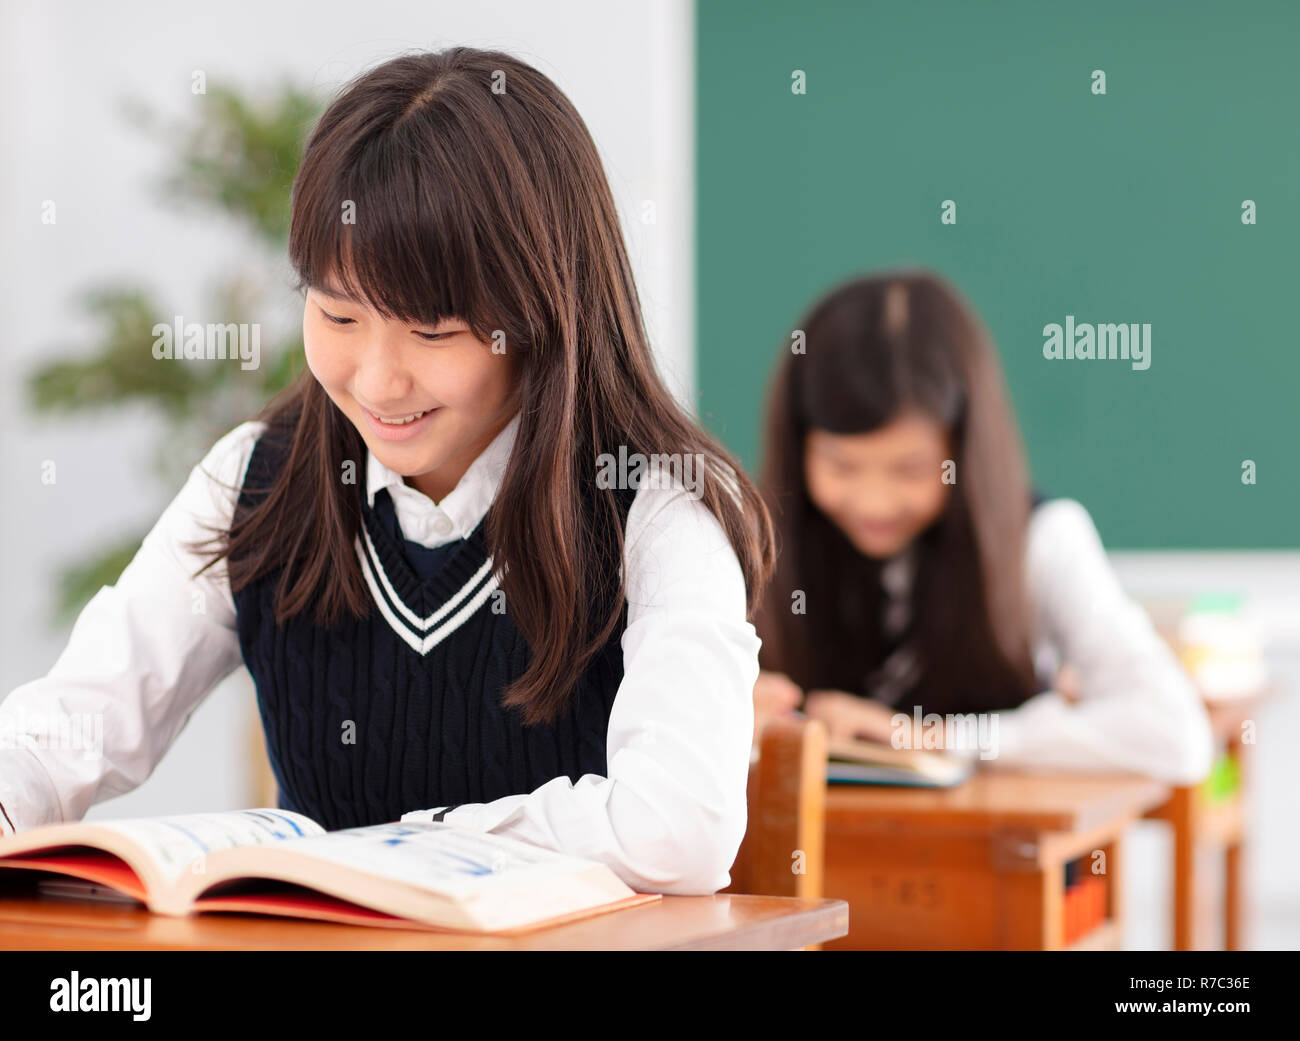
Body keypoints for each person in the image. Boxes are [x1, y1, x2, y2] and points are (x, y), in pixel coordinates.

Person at [0, 48, 775, 896]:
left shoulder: (657, 511)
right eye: (337, 313)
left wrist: (411, 847)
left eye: (432, 333)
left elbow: (680, 833)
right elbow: (73, 727)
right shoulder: (256, 481)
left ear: (545, 315)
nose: (375, 380)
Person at [752, 269, 1212, 782]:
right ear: (799, 447)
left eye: (911, 469)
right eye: (841, 466)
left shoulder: (1042, 540)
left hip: (1000, 854)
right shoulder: (753, 541)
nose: (874, 501)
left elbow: (1176, 735)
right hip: (810, 856)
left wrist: (935, 739)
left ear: (964, 453)